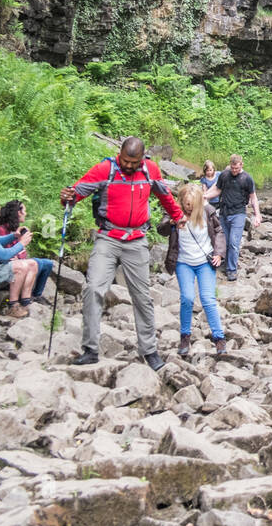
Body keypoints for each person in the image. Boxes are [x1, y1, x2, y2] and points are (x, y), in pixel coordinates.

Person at [61, 137, 183, 369]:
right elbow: (76, 193)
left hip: (136, 240)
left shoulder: (150, 170)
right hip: (108, 237)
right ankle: (90, 349)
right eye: (125, 161)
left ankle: (149, 351)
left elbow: (165, 195)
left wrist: (178, 216)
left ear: (142, 158)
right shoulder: (105, 169)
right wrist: (67, 198)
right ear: (120, 154)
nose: (128, 166)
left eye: (133, 162)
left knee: (142, 297)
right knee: (94, 288)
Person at [158, 183, 227, 357]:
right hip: (183, 262)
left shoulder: (208, 211)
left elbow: (219, 231)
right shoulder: (174, 212)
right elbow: (161, 230)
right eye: (185, 204)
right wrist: (173, 222)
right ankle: (185, 336)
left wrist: (218, 254)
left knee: (208, 299)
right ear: (181, 201)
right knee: (187, 298)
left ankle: (219, 338)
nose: (188, 209)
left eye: (191, 205)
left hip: (204, 262)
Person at [204, 154, 261, 281]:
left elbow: (253, 198)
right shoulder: (224, 175)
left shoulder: (247, 178)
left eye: (237, 168)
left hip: (239, 213)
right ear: (230, 165)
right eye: (232, 168)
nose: (234, 170)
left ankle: (231, 269)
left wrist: (257, 215)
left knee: (234, 243)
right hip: (224, 212)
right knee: (226, 241)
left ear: (241, 165)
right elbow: (217, 190)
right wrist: (205, 196)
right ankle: (225, 262)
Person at [0, 199, 54, 308]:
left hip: (19, 262)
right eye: (24, 211)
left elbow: (21, 253)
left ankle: (36, 295)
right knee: (39, 263)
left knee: (48, 263)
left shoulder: (14, 229)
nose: (26, 213)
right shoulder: (0, 230)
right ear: (18, 212)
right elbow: (8, 254)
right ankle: (26, 298)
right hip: (9, 266)